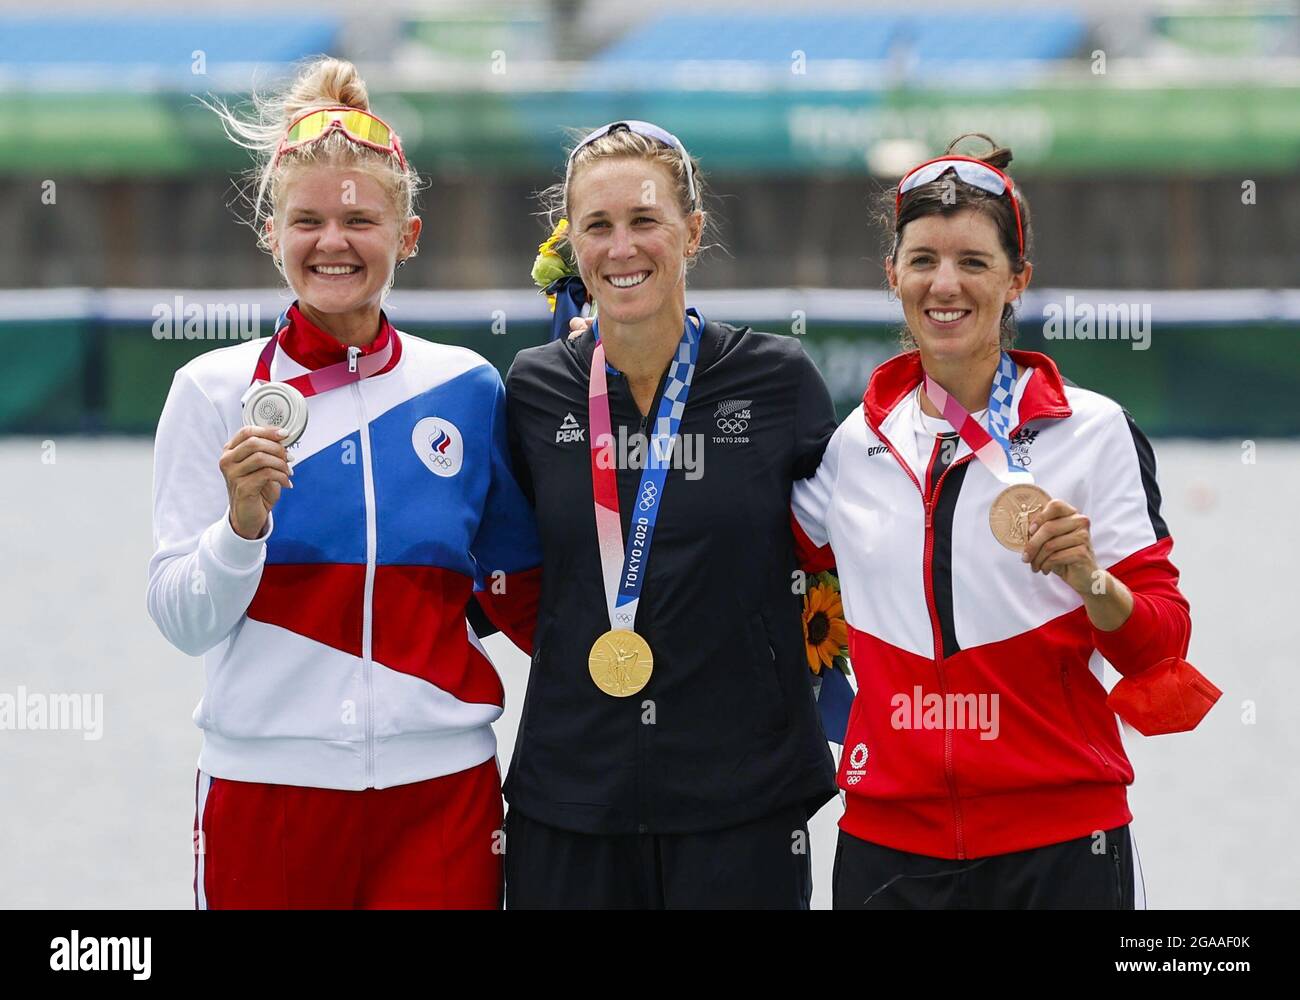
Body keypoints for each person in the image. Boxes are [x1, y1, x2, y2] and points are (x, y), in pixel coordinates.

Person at [147, 57, 540, 909]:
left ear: (408, 234)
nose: (333, 242)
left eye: (361, 219)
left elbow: (531, 600)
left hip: (443, 799)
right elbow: (182, 620)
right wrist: (240, 529)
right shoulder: (211, 391)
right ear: (270, 231)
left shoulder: (468, 388)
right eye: (308, 220)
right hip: (265, 797)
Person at [792, 134, 1220, 909]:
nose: (944, 284)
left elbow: (1162, 645)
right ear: (892, 275)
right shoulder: (851, 446)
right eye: (922, 260)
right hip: (888, 848)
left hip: (1062, 844)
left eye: (974, 262)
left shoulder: (1093, 431)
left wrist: (1093, 581)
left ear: (1018, 279)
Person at [501, 121, 839, 908]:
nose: (623, 248)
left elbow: (847, 551)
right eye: (599, 226)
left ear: (692, 230)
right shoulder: (533, 388)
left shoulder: (778, 382)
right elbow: (503, 576)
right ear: (574, 245)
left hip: (742, 806)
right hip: (572, 802)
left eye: (645, 221)